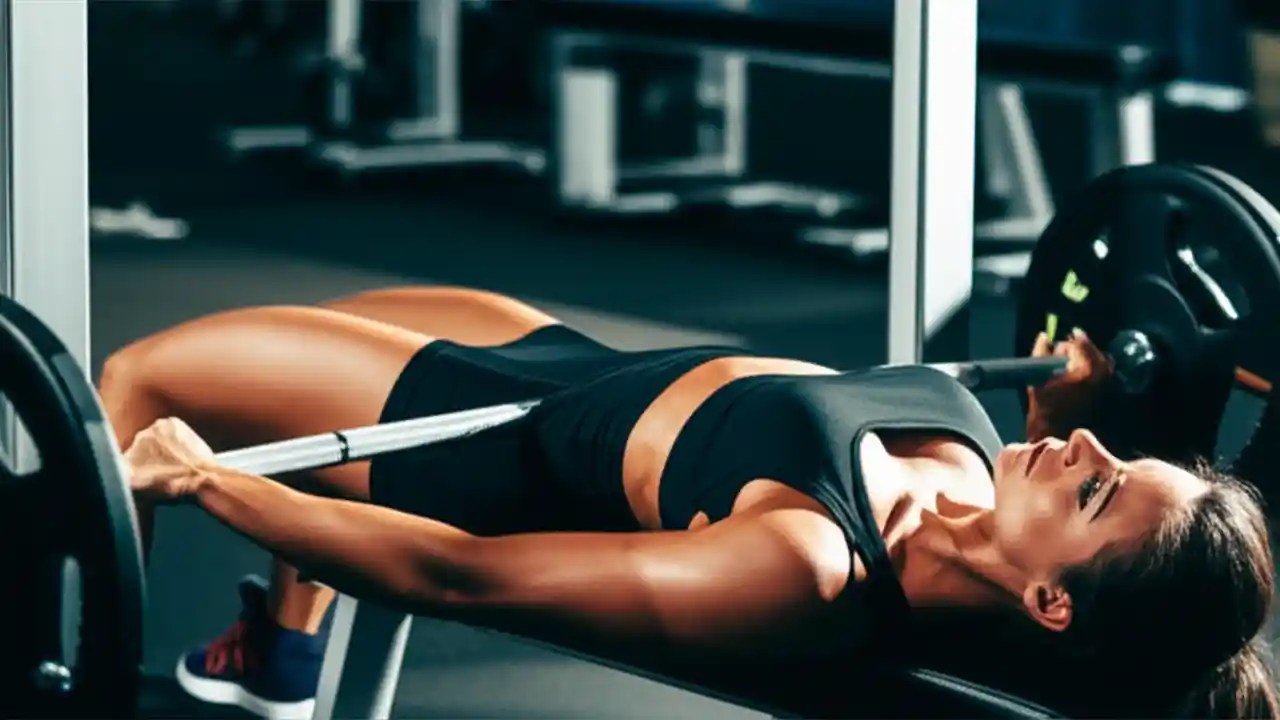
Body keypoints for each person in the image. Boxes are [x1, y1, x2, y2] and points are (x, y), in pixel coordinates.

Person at [104, 286, 1279, 720]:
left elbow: (452, 572)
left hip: (479, 436)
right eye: (1108, 455)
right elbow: (1051, 465)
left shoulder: (799, 568)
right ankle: (278, 658)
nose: (1080, 444)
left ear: (1048, 603)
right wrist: (1071, 383)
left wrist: (208, 480)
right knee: (284, 349)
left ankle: (67, 681)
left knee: (139, 382)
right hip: (550, 351)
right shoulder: (990, 491)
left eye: (1096, 489)